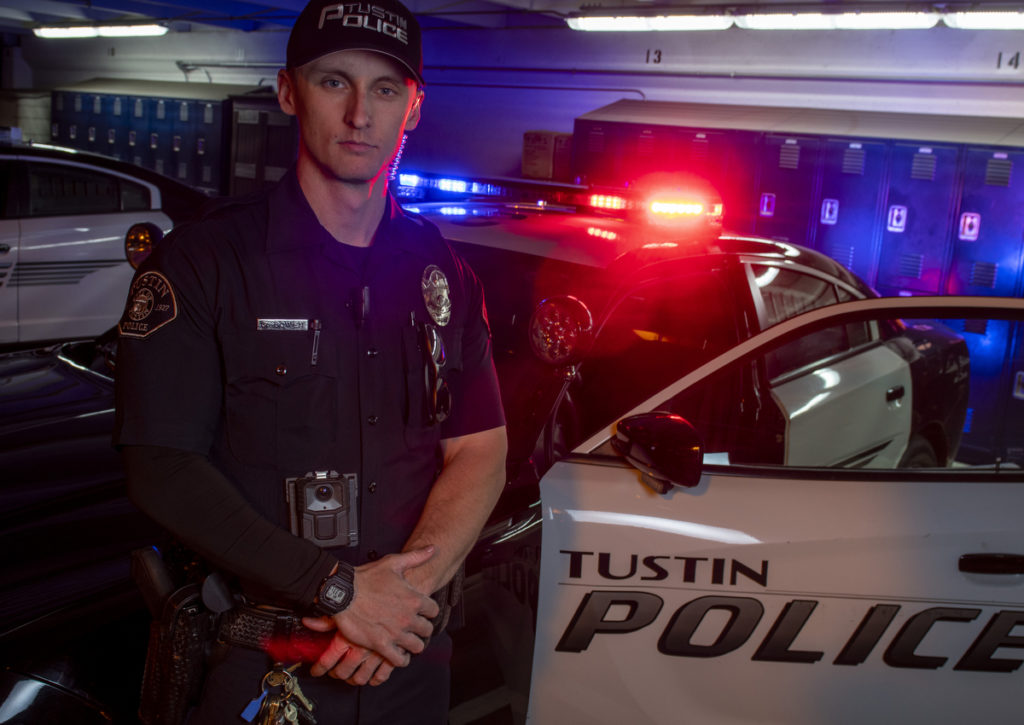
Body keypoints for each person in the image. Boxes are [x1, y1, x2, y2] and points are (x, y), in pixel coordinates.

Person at [113, 0, 508, 720]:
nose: (361, 113)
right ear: (288, 91)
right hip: (261, 670)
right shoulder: (204, 263)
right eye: (335, 82)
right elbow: (159, 464)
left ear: (413, 107)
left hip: (407, 664)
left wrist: (398, 603)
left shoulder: (442, 273)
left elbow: (480, 448)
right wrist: (341, 591)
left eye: (386, 89)